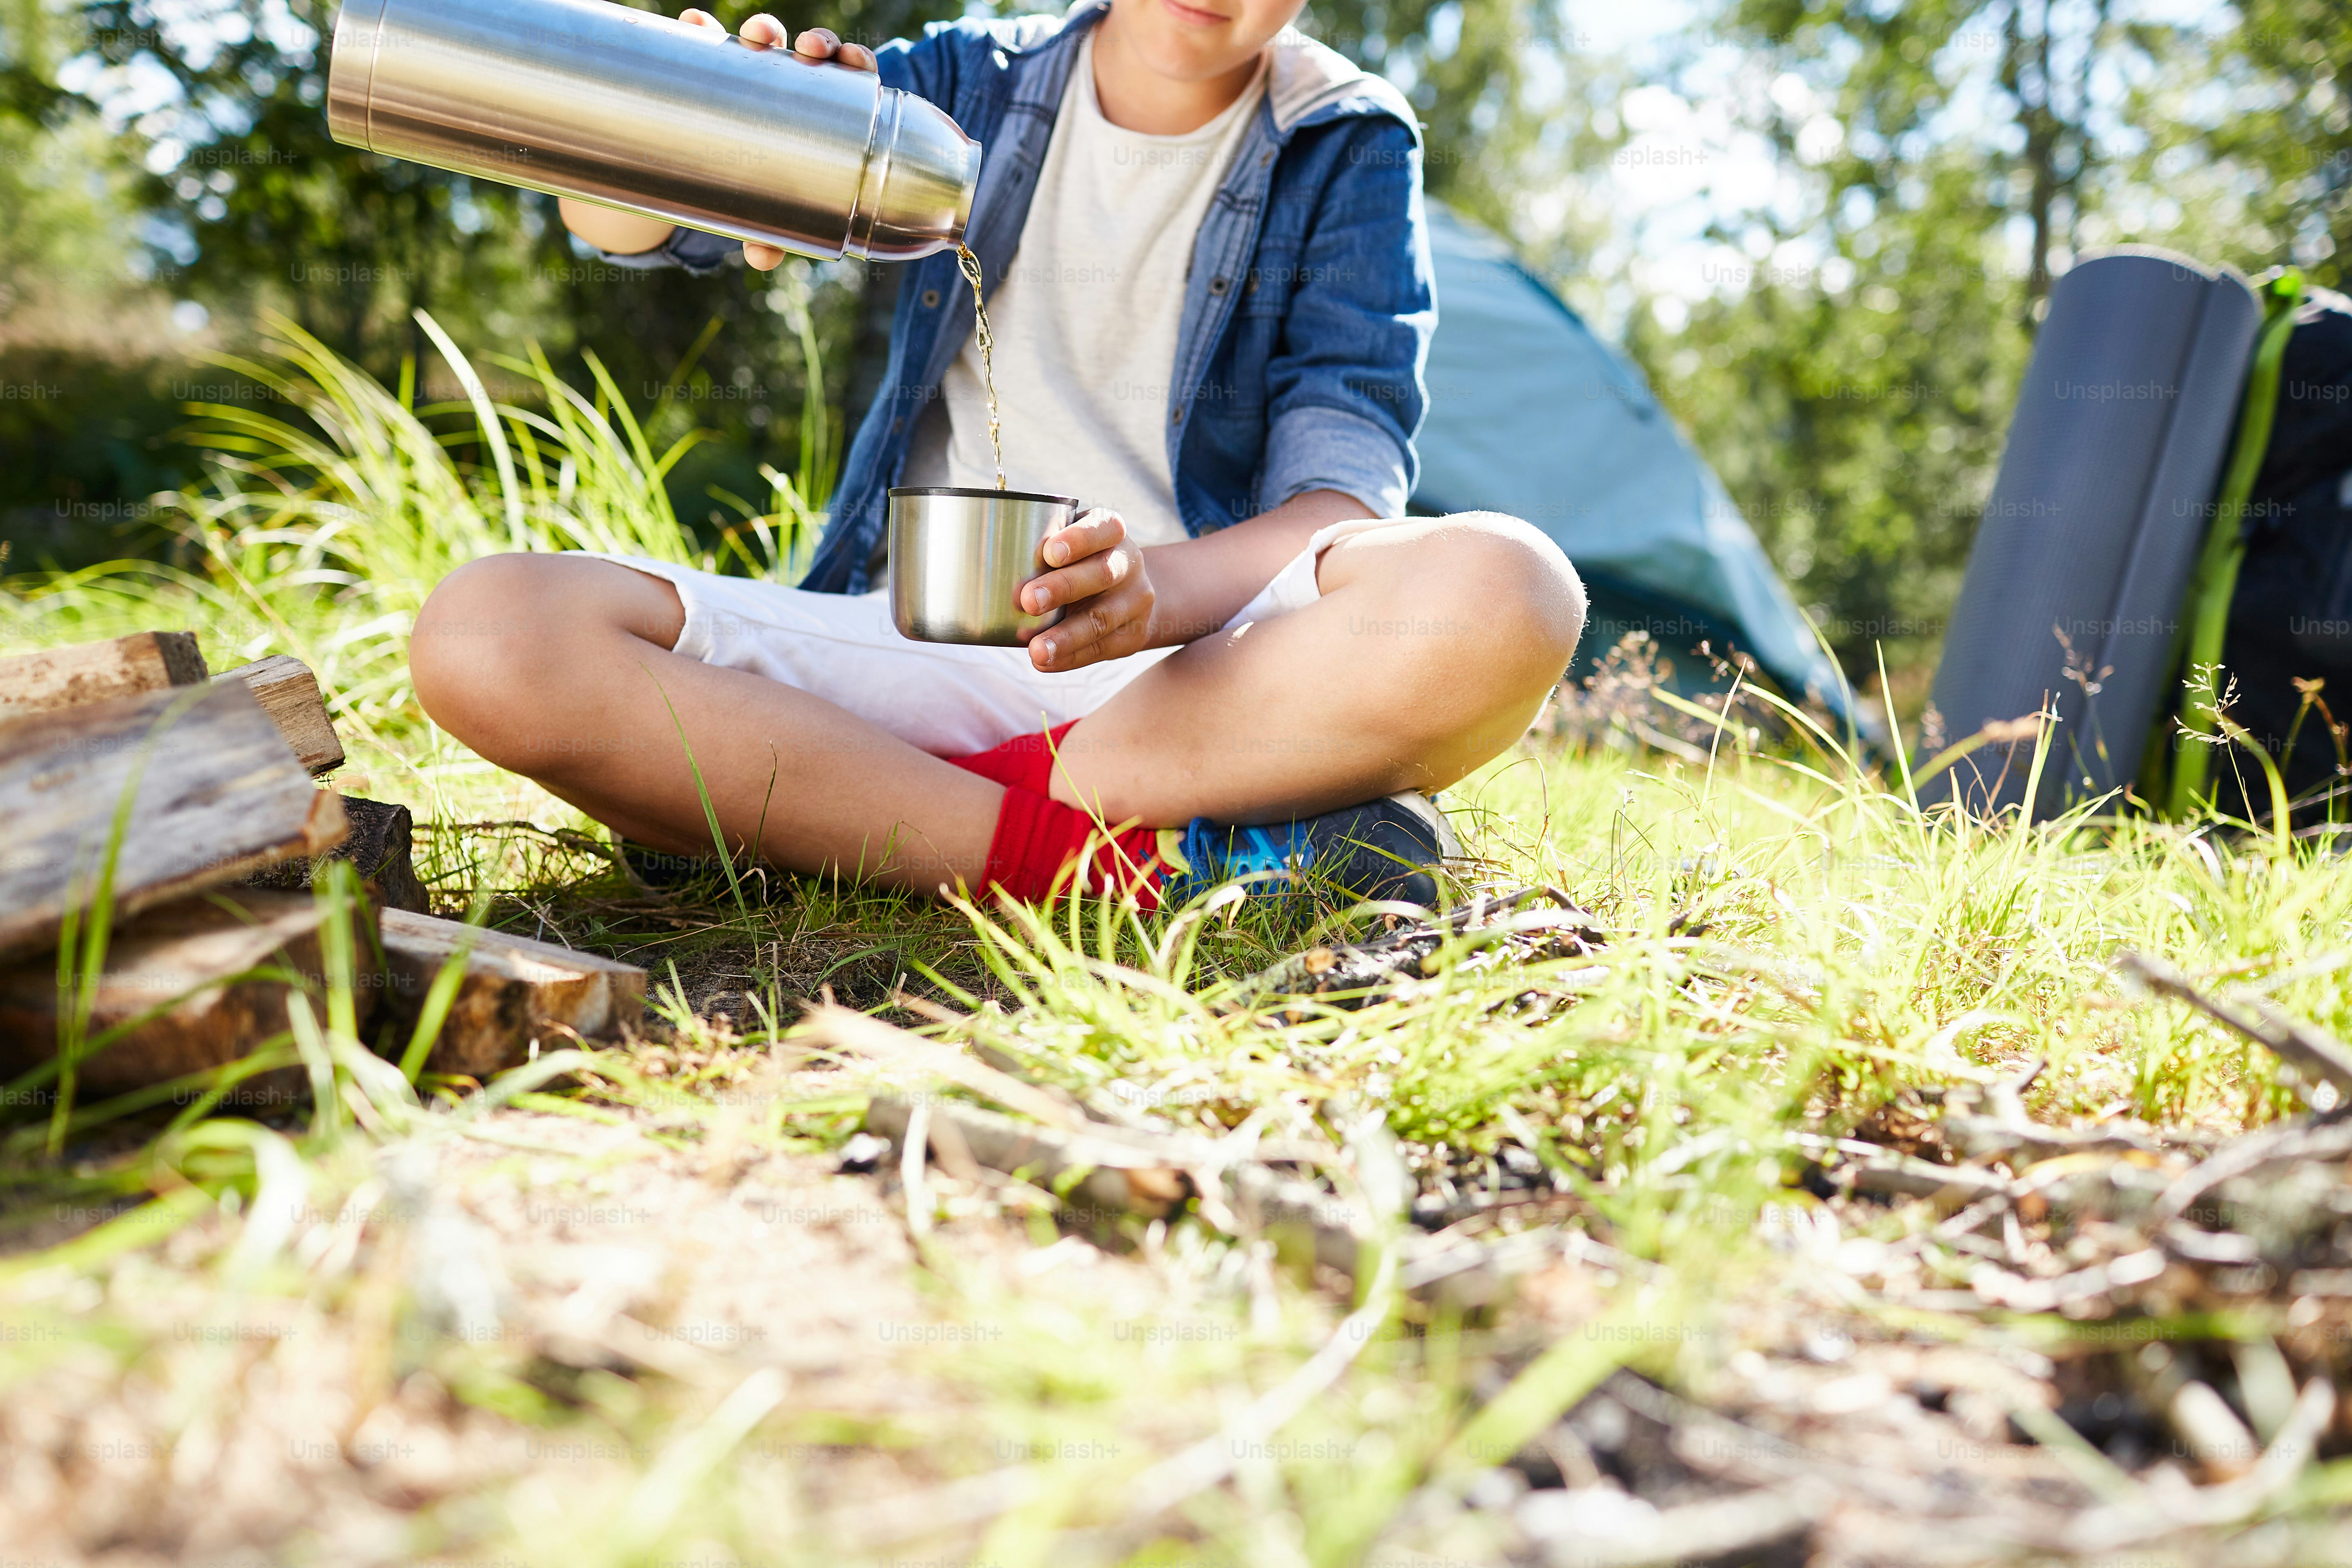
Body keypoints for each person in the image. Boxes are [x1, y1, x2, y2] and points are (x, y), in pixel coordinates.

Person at [410, 0, 1585, 910]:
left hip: (1196, 679)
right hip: (916, 641)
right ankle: (1114, 845)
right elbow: (655, 234)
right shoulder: (968, 84)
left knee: (1510, 590)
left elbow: (1339, 498)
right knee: (488, 632)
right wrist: (684, 117)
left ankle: (833, 813)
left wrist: (1147, 595)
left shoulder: (1346, 140)